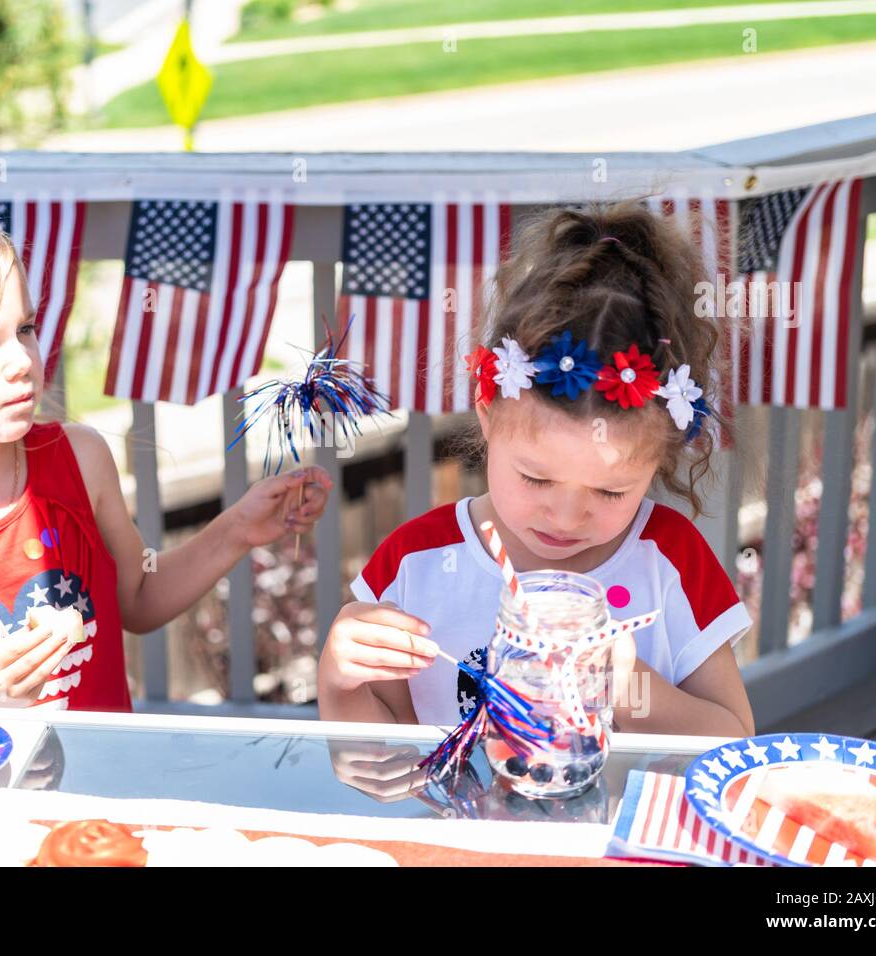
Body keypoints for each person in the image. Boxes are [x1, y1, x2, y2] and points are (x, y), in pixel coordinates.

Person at [0, 123, 332, 709]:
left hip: (102, 792)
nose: (21, 361)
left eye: (24, 329)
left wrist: (238, 530)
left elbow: (138, 599)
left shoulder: (81, 459)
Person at [318, 200, 755, 738]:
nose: (567, 515)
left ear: (660, 458)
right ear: (487, 414)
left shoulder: (668, 560)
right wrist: (340, 684)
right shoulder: (416, 567)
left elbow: (735, 740)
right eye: (536, 479)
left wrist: (626, 686)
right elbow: (379, 767)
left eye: (610, 491)